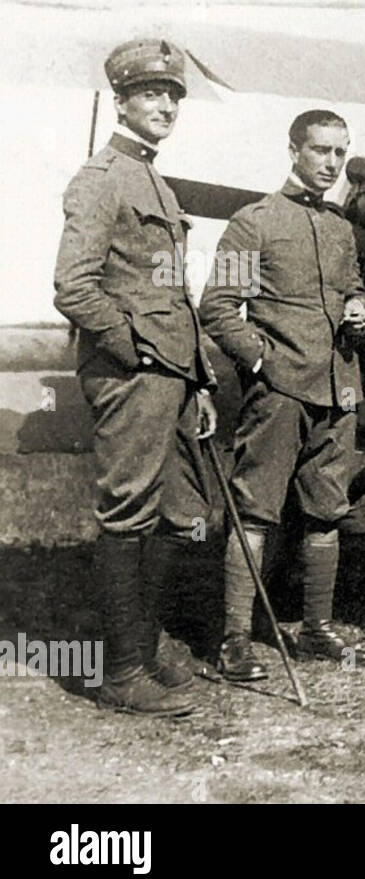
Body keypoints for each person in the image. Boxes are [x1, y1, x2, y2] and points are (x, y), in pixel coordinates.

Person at [53, 38, 218, 716]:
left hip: (173, 378)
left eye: (174, 94)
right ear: (121, 99)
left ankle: (145, 643)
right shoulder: (100, 179)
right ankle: (121, 671)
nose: (166, 105)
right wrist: (139, 353)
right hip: (133, 377)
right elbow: (74, 288)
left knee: (181, 516)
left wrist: (198, 379)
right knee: (127, 513)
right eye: (151, 92)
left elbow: (172, 293)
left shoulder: (155, 180)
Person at [200, 109, 365, 681]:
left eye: (341, 153)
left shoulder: (341, 229)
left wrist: (360, 312)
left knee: (326, 512)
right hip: (279, 395)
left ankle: (316, 628)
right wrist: (261, 363)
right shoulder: (252, 222)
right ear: (294, 150)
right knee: (255, 510)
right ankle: (234, 639)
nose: (331, 163)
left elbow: (355, 292)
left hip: (337, 391)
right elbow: (218, 308)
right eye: (321, 150)